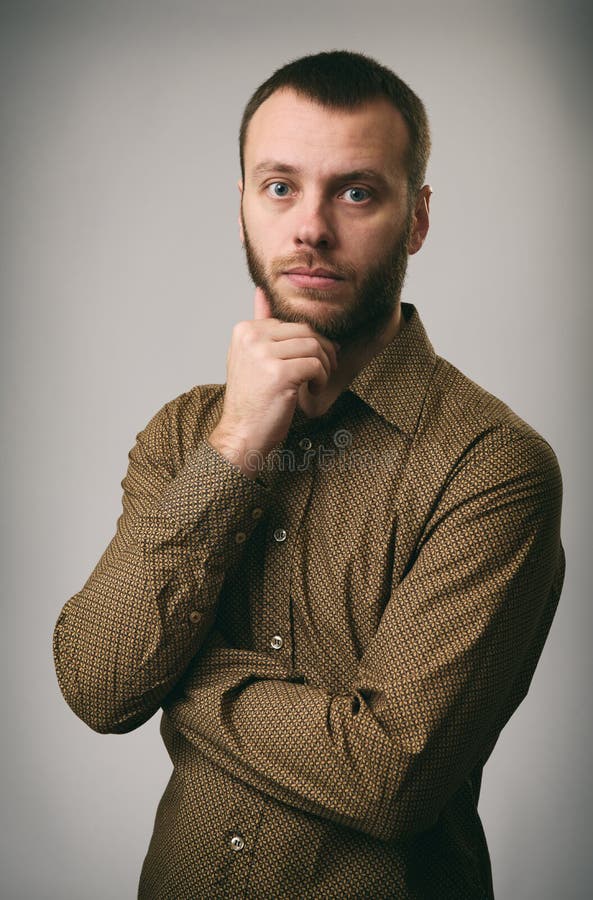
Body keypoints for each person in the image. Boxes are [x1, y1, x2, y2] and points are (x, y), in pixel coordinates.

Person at [52, 50, 565, 899]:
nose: (310, 228)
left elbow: (387, 776)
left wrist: (178, 675)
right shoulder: (187, 432)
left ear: (416, 219)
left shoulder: (492, 465)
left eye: (355, 192)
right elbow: (98, 686)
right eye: (279, 187)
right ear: (243, 207)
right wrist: (235, 447)